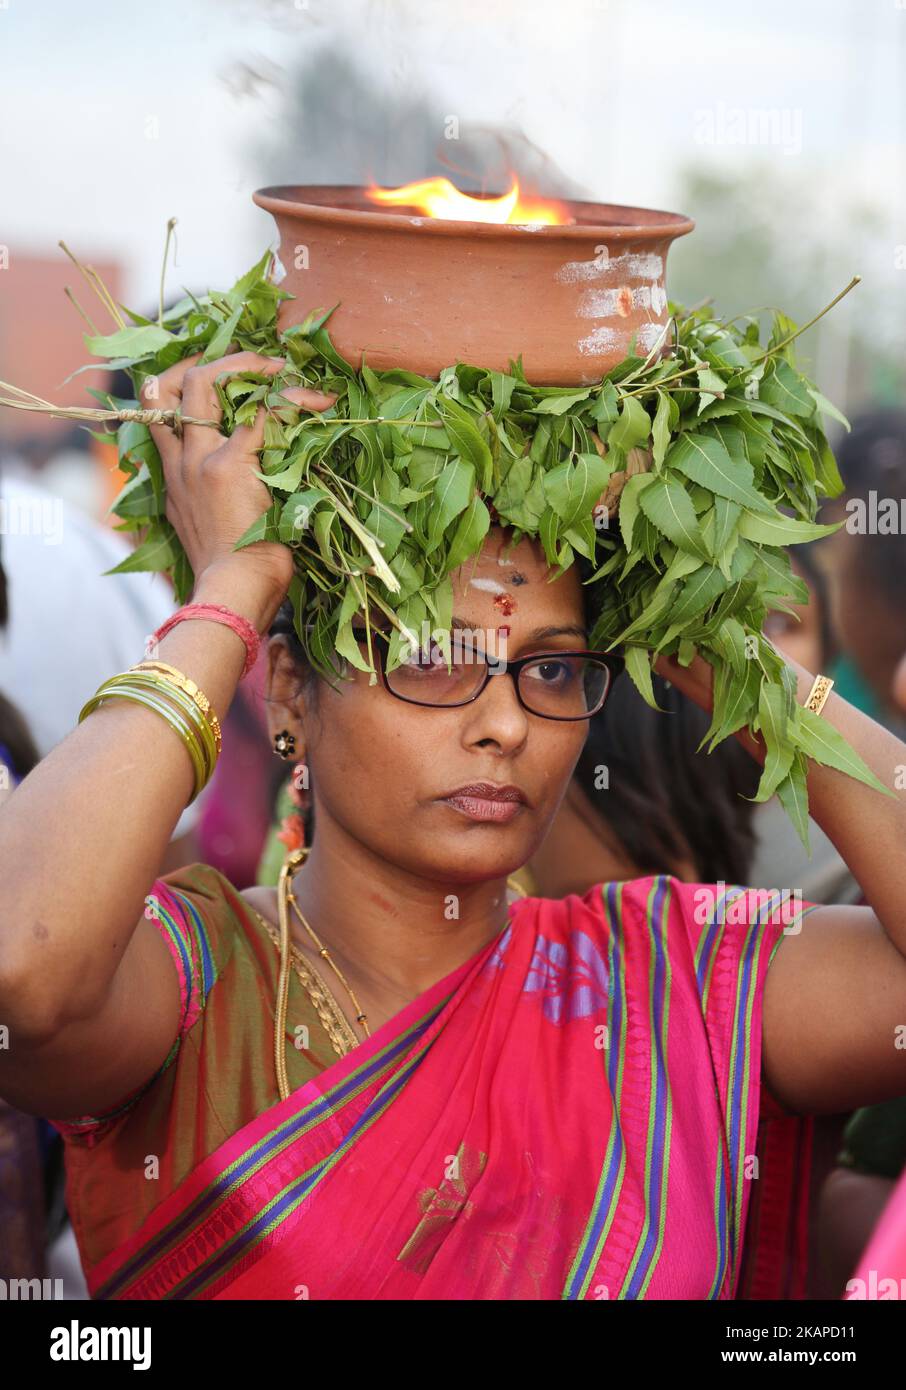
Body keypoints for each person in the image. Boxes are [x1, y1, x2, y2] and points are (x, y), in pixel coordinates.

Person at [1, 351, 906, 1302]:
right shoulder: (192, 981)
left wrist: (720, 637)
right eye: (432, 659)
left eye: (552, 669)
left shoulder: (667, 980)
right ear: (295, 692)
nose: (507, 723)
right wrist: (234, 584)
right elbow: (23, 967)